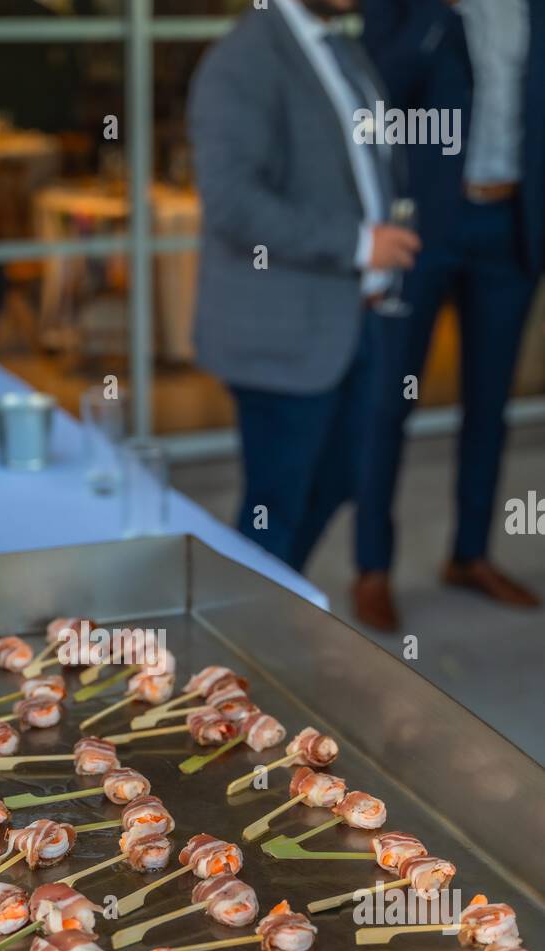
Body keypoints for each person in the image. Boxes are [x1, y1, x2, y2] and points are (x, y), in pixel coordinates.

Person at [188, 0, 420, 573]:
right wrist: (360, 244)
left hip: (352, 317)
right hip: (282, 332)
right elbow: (233, 204)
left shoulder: (342, 46)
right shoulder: (241, 59)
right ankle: (250, 628)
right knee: (274, 510)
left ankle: (275, 599)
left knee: (341, 478)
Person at [355, 0, 545, 630]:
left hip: (511, 225)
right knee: (390, 403)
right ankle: (372, 568)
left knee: (490, 406)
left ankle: (470, 554)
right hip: (426, 226)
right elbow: (378, 85)